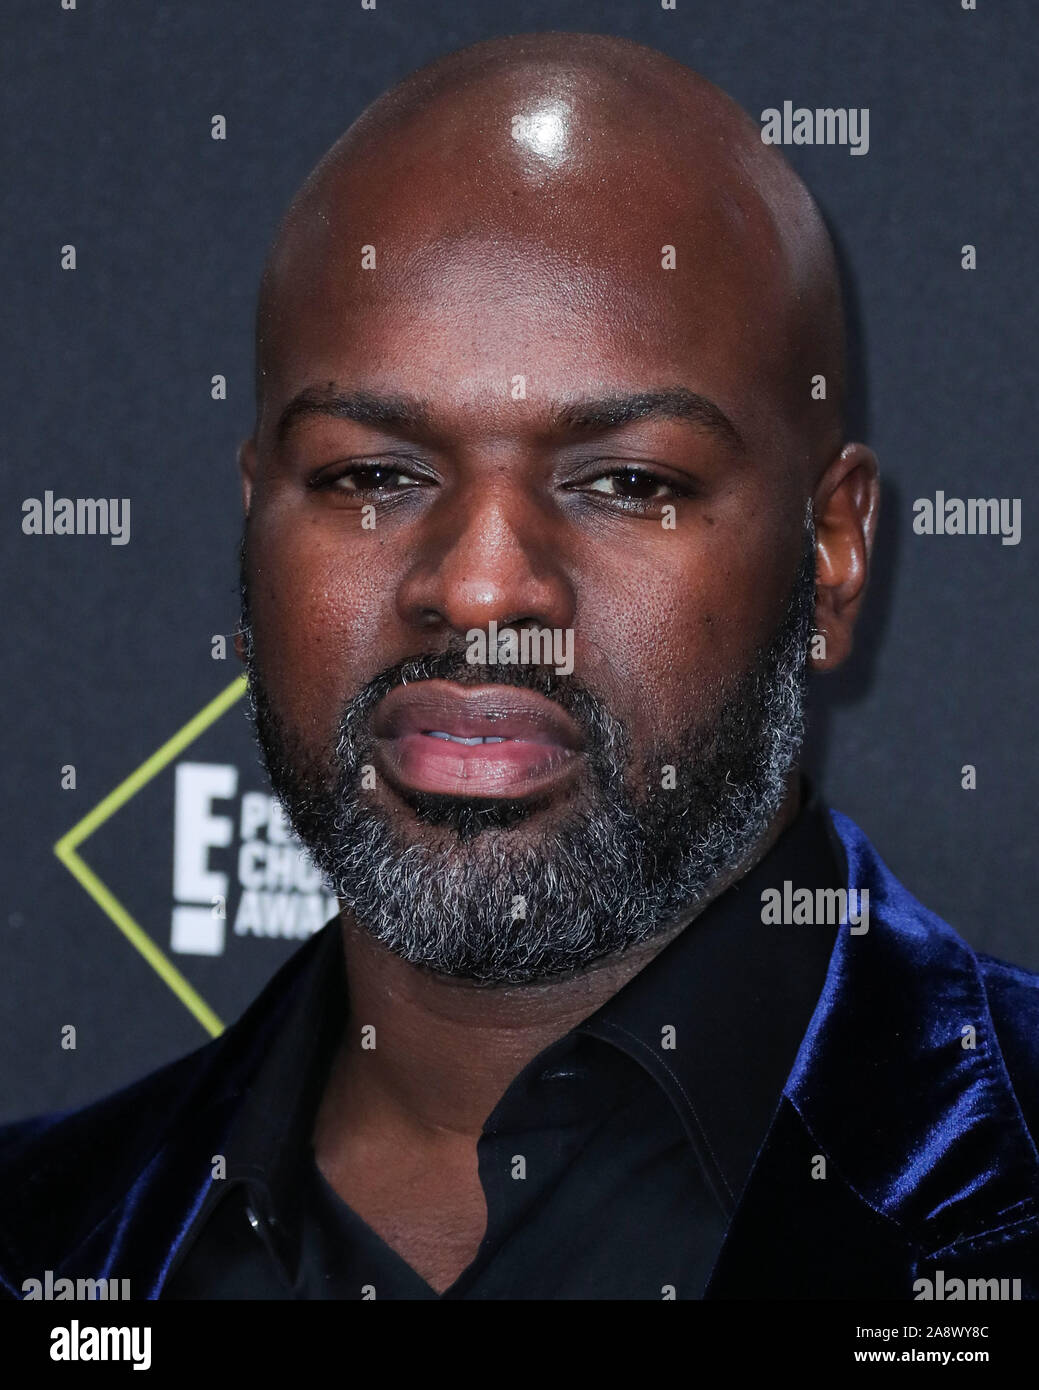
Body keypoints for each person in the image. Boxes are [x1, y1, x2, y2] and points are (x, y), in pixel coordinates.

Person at [3, 32, 1038, 1302]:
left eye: (626, 481)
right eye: (372, 474)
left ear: (829, 553)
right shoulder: (48, 1243)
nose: (483, 587)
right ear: (255, 513)